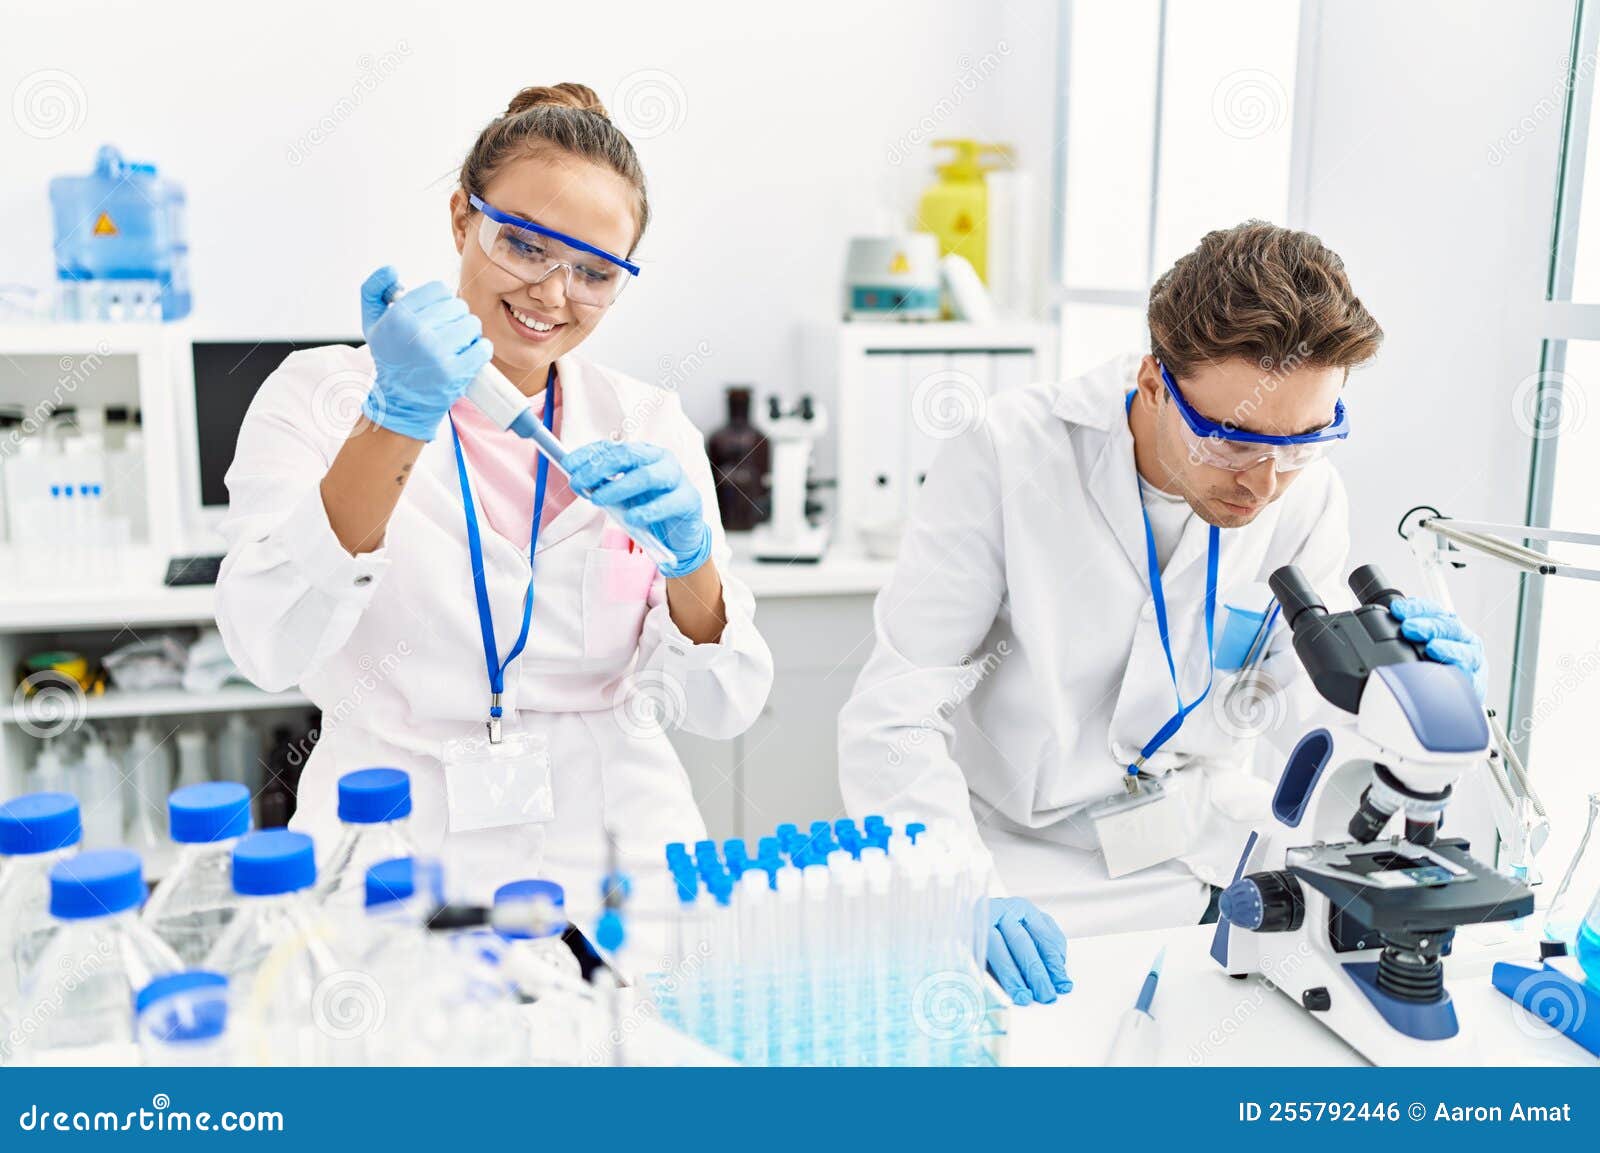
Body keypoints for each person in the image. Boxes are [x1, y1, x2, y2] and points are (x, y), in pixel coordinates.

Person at [837, 222, 1486, 1005]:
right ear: (1153, 383)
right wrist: (959, 888)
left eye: (1304, 441)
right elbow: (895, 713)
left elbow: (1308, 719)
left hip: (1204, 852)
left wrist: (1405, 695)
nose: (1265, 483)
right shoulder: (1010, 453)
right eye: (1233, 440)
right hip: (1015, 864)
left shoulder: (1309, 495)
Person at [216, 82, 773, 911]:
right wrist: (396, 419)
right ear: (461, 219)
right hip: (395, 846)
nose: (552, 292)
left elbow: (721, 702)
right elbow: (267, 642)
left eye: (595, 272)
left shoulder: (648, 423)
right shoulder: (323, 397)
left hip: (618, 854)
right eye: (524, 244)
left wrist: (691, 563)